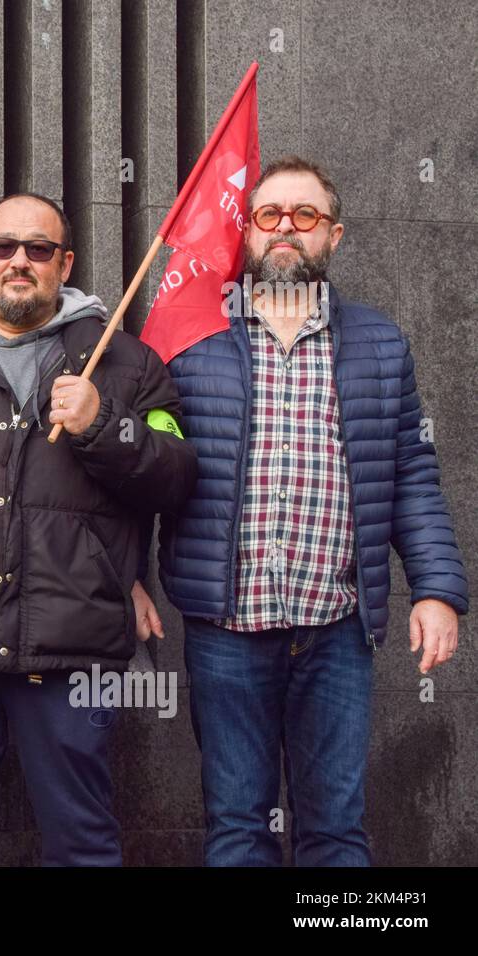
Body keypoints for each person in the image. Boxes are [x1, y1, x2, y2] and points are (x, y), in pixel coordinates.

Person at [157, 156, 469, 866]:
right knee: (238, 827)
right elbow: (150, 471)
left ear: (335, 236)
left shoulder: (379, 343)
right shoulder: (193, 340)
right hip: (226, 628)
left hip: (336, 630)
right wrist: (127, 579)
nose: (287, 229)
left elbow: (412, 474)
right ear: (248, 233)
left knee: (335, 831)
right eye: (270, 216)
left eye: (307, 216)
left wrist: (438, 590)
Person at [0, 193, 197, 866]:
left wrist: (105, 424)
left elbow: (176, 476)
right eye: (3, 247)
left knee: (81, 839)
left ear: (64, 263)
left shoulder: (129, 365)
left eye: (38, 249)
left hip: (72, 642)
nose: (19, 261)